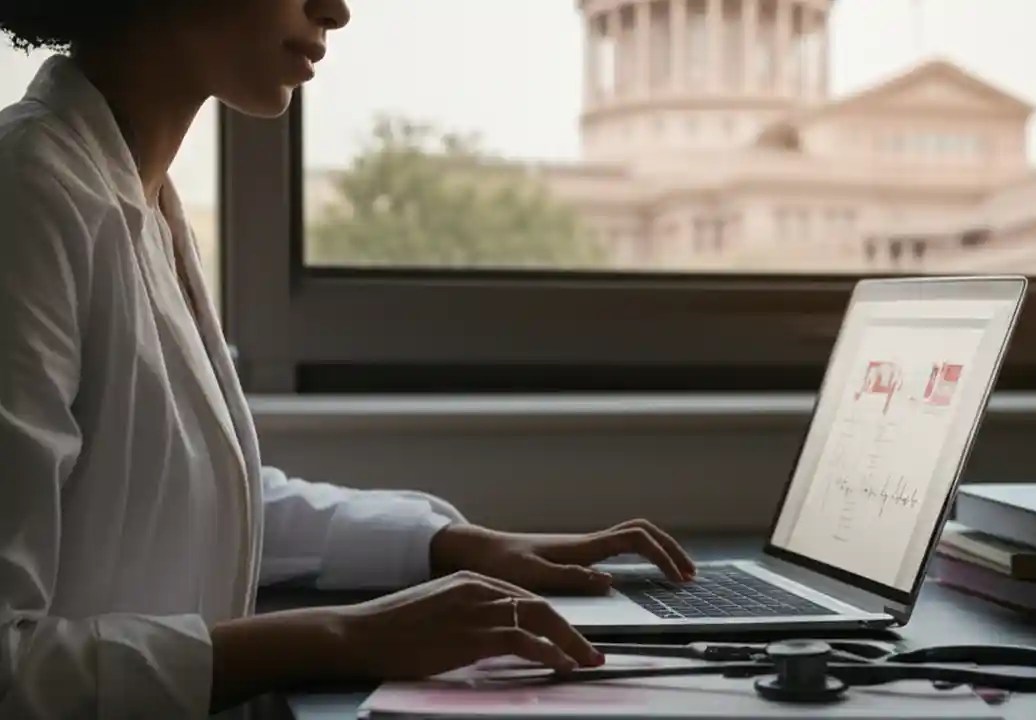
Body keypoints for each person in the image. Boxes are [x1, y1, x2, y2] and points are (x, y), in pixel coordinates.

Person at [0, 1, 698, 716]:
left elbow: (184, 492)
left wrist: (454, 545)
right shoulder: (26, 197)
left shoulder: (133, 195)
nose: (335, 10)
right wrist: (344, 636)